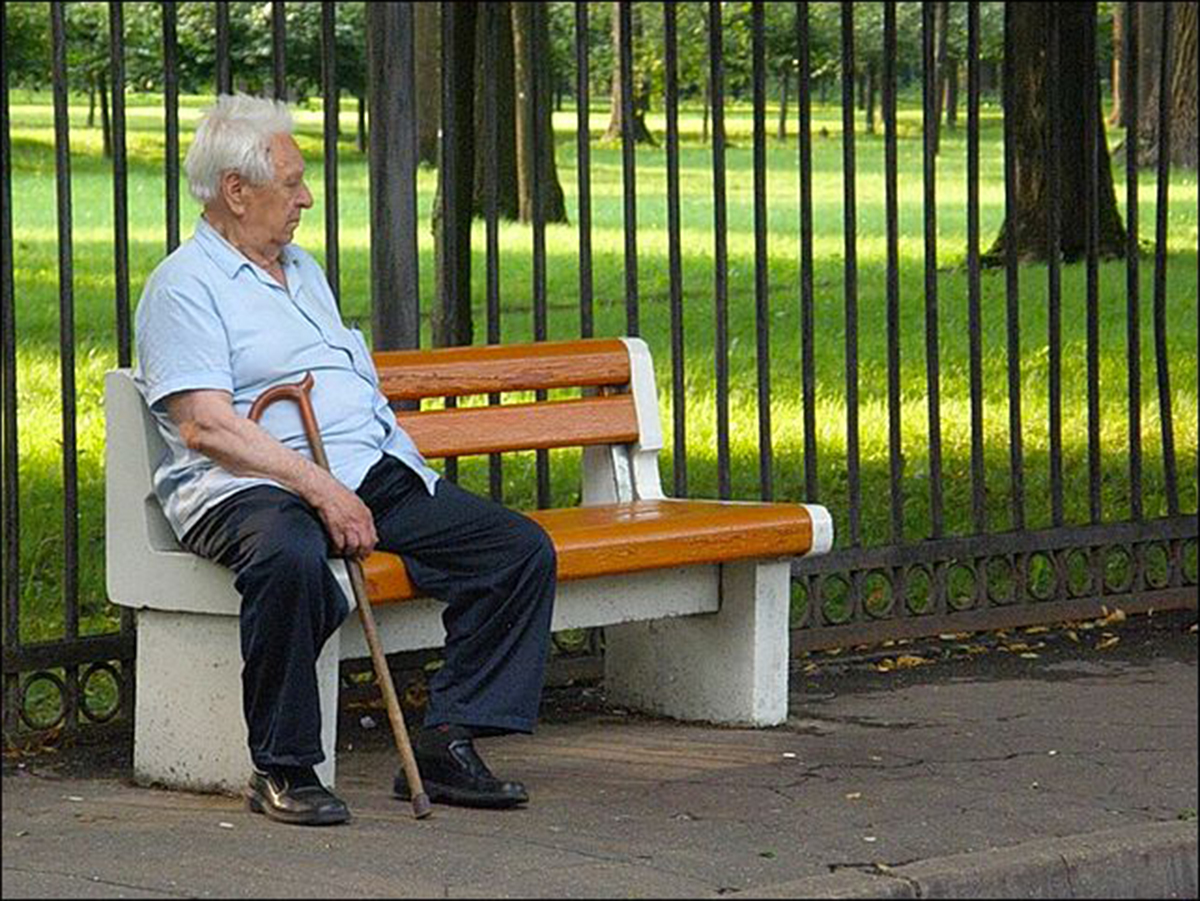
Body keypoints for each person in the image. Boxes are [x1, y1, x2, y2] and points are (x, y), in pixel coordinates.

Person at [133, 94, 556, 827]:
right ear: (236, 191)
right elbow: (206, 427)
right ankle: (285, 765)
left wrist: (353, 479)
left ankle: (447, 741)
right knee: (291, 560)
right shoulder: (184, 286)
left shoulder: (302, 269)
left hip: (361, 471)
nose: (305, 196)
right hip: (247, 485)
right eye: (291, 181)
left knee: (516, 552)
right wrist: (319, 489)